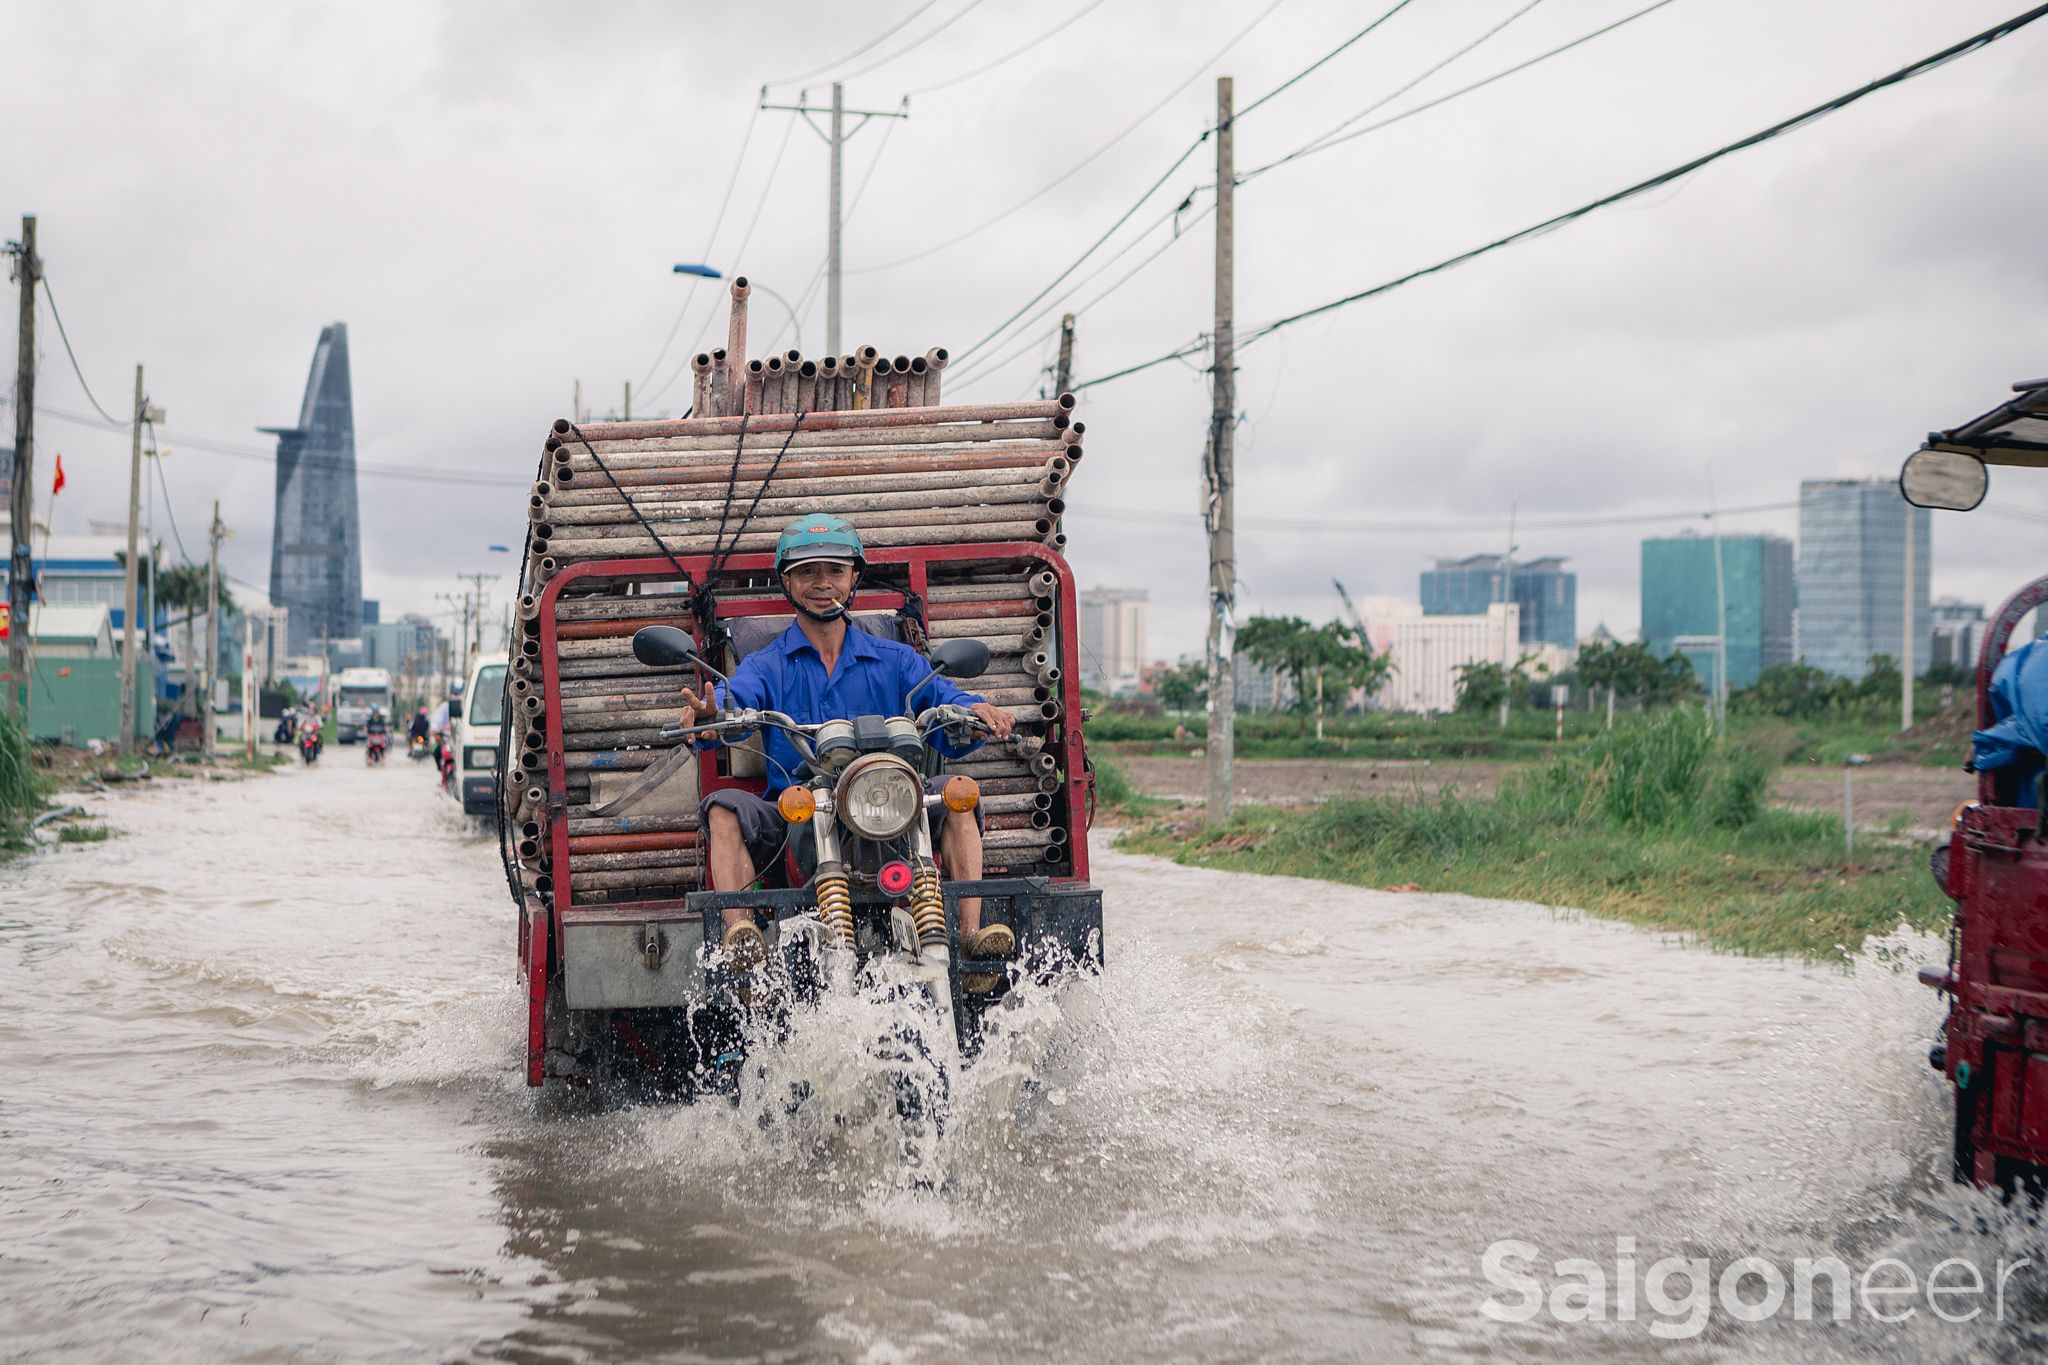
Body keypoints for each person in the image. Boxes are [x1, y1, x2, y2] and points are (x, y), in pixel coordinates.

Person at [681, 514, 1017, 976]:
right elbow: (734, 698)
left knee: (958, 791)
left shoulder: (897, 659)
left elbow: (944, 698)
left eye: (835, 571)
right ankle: (742, 936)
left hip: (892, 803)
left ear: (854, 577)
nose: (822, 583)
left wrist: (976, 711)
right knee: (722, 808)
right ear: (787, 581)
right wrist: (711, 715)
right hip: (797, 811)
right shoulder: (767, 663)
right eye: (806, 572)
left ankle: (971, 938)